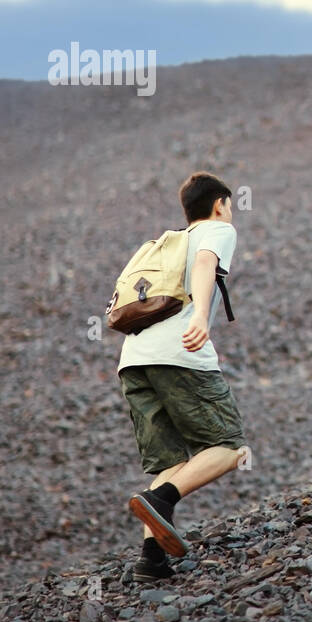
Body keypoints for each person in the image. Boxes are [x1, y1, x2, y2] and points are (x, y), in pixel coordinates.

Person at [117, 171, 247, 581]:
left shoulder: (168, 241)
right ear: (220, 203)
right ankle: (161, 500)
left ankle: (151, 560)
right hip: (179, 354)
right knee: (229, 447)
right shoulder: (217, 230)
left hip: (135, 359)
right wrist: (204, 319)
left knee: (170, 460)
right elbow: (207, 265)